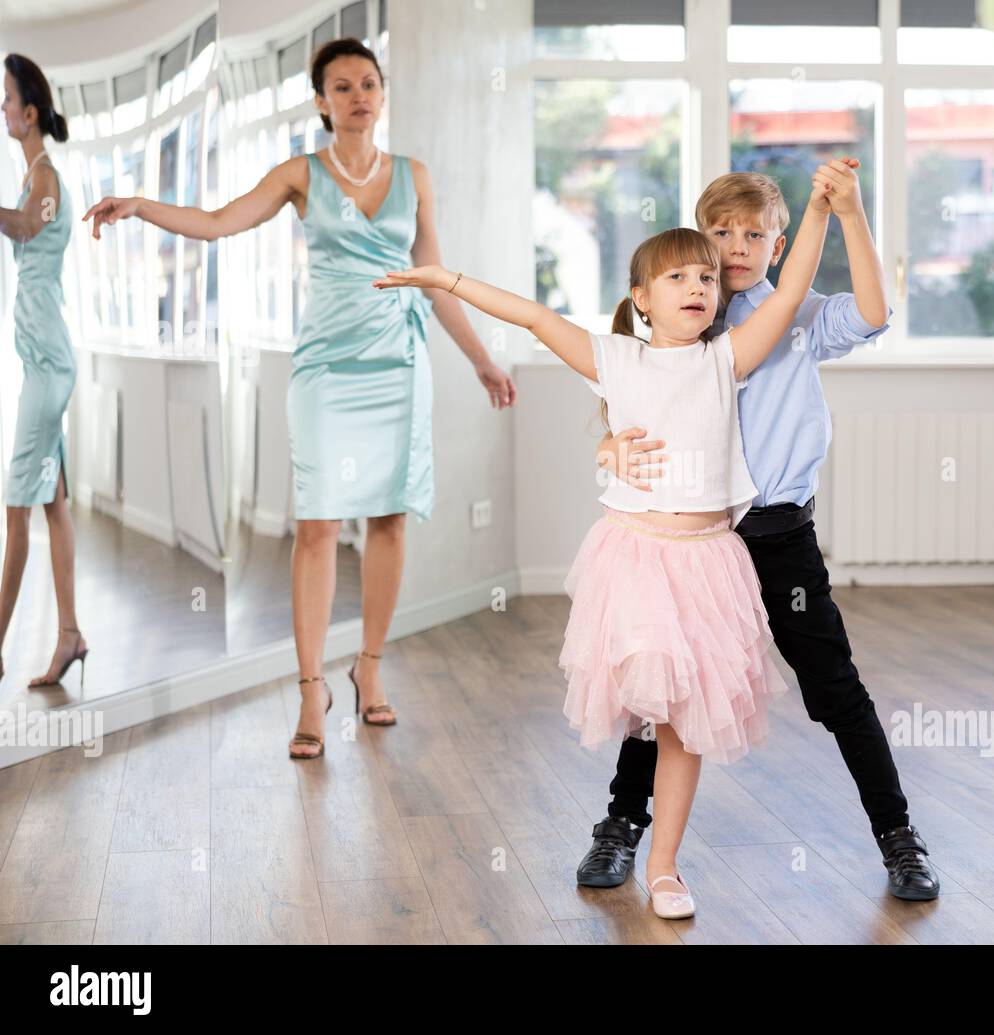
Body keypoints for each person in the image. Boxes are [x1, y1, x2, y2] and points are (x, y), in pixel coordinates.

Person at [373, 168, 835, 918]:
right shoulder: (616, 360)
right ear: (642, 297)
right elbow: (529, 315)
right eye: (677, 275)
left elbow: (788, 294)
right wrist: (443, 277)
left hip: (710, 559)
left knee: (688, 722)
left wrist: (819, 208)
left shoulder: (727, 359)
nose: (697, 286)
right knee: (654, 710)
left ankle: (663, 865)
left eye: (707, 277)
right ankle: (628, 834)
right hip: (637, 559)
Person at [84, 38, 515, 758]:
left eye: (368, 83)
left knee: (389, 521)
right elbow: (221, 222)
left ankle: (369, 669)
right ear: (322, 102)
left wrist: (482, 360)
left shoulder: (415, 175)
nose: (358, 96)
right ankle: (310, 687)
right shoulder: (299, 174)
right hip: (326, 370)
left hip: (398, 366)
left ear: (382, 93)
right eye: (341, 87)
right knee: (316, 526)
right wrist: (141, 206)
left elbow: (436, 278)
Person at [585, 165, 940, 901]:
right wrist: (610, 446)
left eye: (755, 234)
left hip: (775, 537)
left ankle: (898, 836)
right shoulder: (683, 313)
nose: (736, 246)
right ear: (696, 239)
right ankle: (623, 823)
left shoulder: (795, 313)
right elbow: (621, 394)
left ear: (779, 248)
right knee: (659, 689)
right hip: (689, 543)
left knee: (835, 687)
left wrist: (849, 212)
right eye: (720, 232)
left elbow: (874, 310)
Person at [0, 53, 86, 690]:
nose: (1, 109)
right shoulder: (35, 176)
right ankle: (70, 636)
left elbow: (30, 225)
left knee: (16, 513)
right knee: (53, 506)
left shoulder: (46, 180)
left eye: (6, 99)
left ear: (29, 113)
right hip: (44, 364)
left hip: (49, 368)